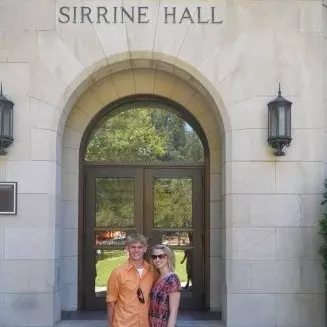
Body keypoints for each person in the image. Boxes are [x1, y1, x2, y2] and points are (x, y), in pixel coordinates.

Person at [106, 234, 155, 327]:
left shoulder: (152, 271)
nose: (136, 250)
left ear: (145, 248)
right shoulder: (117, 273)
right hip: (123, 324)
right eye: (133, 247)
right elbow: (111, 302)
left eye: (140, 247)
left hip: (145, 324)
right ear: (127, 248)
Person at [149, 244, 181, 327]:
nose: (157, 259)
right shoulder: (157, 277)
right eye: (154, 257)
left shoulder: (172, 279)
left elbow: (173, 311)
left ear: (168, 258)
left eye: (161, 256)